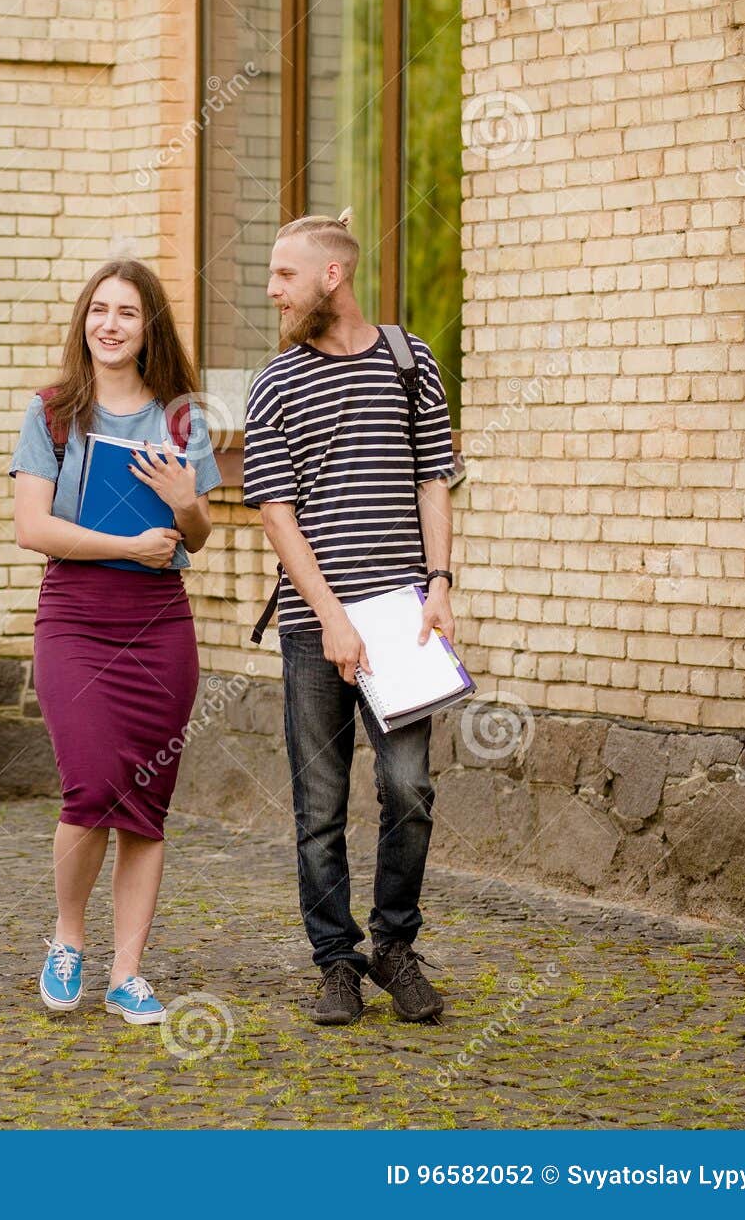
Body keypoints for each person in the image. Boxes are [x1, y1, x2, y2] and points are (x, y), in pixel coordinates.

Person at [243, 211, 457, 1026]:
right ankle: (336, 959)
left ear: (332, 276)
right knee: (319, 805)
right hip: (314, 627)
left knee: (410, 789)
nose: (273, 291)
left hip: (404, 619)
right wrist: (330, 615)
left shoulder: (411, 359)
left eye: (284, 276)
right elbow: (275, 508)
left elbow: (435, 474)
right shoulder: (276, 381)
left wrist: (440, 583)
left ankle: (395, 945)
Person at [11, 260, 221, 1025]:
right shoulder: (54, 411)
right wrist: (125, 545)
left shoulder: (179, 419)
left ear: (148, 326)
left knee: (145, 802)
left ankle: (128, 971)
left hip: (160, 620)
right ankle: (68, 938)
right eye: (99, 309)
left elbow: (197, 531)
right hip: (76, 616)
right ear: (84, 321)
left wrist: (182, 503)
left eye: (127, 312)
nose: (110, 323)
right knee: (91, 786)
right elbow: (31, 526)